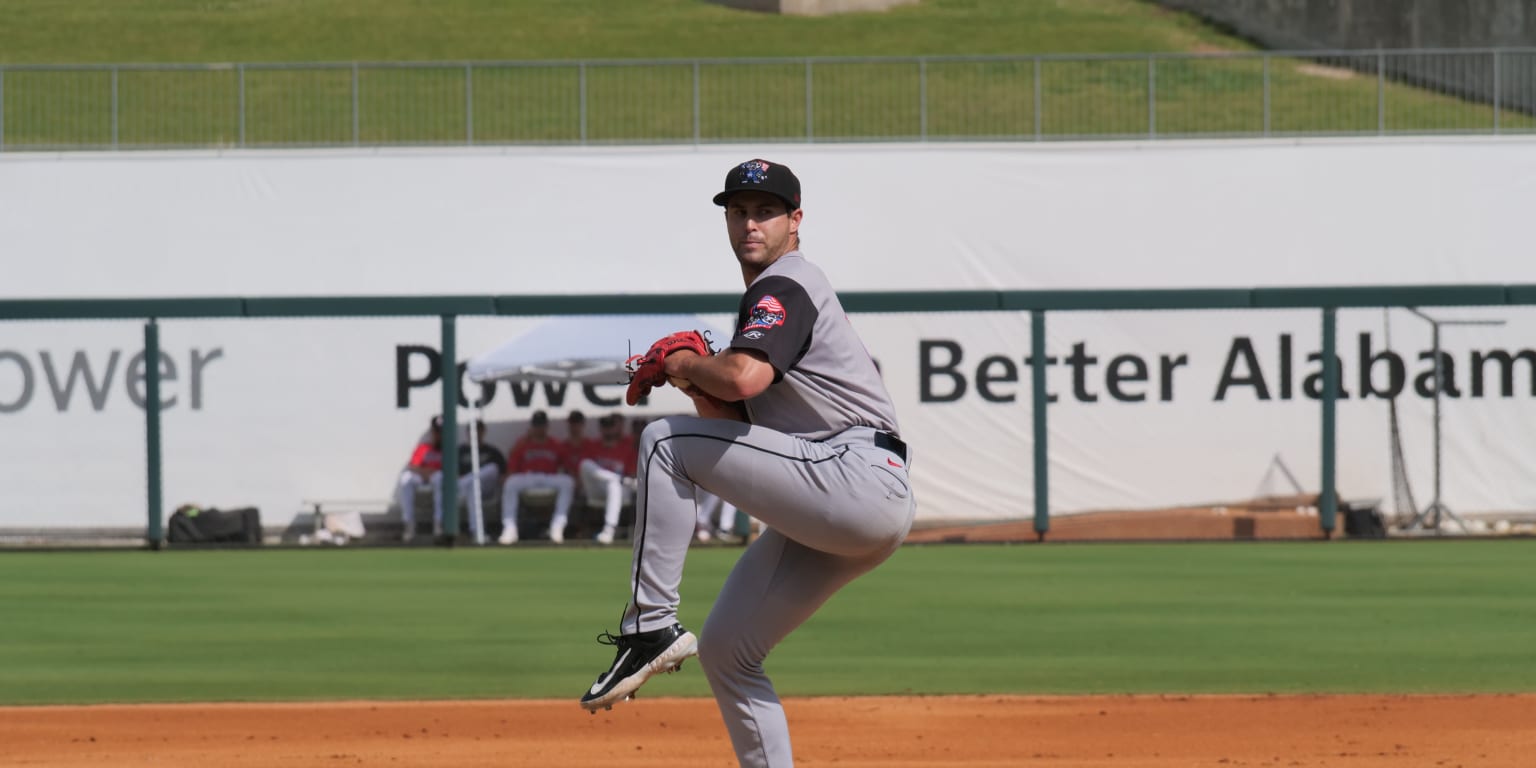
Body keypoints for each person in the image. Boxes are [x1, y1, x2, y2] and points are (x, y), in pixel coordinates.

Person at [578, 158, 915, 768]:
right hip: (837, 501)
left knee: (661, 443)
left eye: (766, 211)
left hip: (854, 477)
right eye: (739, 211)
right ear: (727, 220)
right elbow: (737, 430)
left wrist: (685, 364)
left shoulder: (786, 283)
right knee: (730, 651)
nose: (751, 223)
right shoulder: (767, 300)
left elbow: (744, 375)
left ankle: (649, 625)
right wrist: (696, 386)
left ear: (796, 220)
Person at [499, 409, 575, 544]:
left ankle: (557, 526)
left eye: (541, 425)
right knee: (511, 482)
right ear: (532, 426)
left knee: (568, 482)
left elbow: (568, 467)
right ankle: (510, 527)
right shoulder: (522, 444)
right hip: (528, 478)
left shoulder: (555, 444)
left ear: (546, 426)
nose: (539, 429)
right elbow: (512, 466)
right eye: (536, 425)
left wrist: (575, 477)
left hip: (548, 478)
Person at [432, 420, 505, 540]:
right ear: (467, 433)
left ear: (483, 431)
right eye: (472, 430)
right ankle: (473, 530)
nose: (475, 433)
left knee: (490, 469)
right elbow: (450, 473)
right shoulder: (459, 451)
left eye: (478, 430)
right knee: (469, 484)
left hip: (486, 490)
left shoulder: (493, 452)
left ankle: (476, 530)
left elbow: (501, 474)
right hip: (462, 491)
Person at [578, 413, 638, 545]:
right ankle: (617, 478)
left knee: (614, 485)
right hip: (598, 489)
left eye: (611, 426)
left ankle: (609, 530)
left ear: (617, 428)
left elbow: (633, 474)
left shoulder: (626, 446)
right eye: (605, 426)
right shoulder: (593, 445)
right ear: (601, 429)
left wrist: (621, 481)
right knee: (585, 464)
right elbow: (585, 468)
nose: (608, 430)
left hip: (622, 491)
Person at [395, 415, 443, 543]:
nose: (439, 435)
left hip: (437, 479)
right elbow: (413, 466)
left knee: (439, 477)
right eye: (437, 432)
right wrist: (425, 471)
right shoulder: (424, 448)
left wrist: (433, 472)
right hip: (422, 477)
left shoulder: (449, 449)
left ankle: (439, 523)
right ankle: (408, 523)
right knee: (405, 478)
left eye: (441, 432)